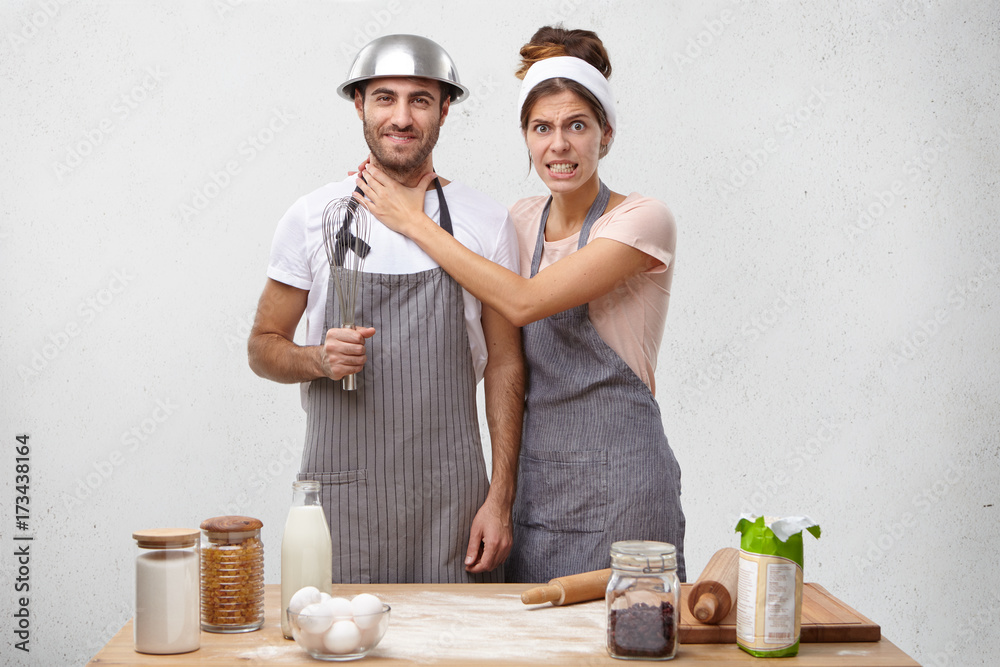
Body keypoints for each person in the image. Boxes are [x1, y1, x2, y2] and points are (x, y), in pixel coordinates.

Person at [355, 26, 686, 582]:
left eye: (577, 126)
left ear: (606, 135)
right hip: (537, 491)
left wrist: (409, 218)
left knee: (629, 645)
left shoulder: (641, 220)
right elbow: (468, 239)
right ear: (527, 138)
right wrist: (399, 183)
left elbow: (525, 301)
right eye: (542, 128)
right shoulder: (520, 219)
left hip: (625, 487)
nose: (559, 145)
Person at [247, 34, 524, 584]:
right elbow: (262, 346)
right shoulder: (312, 216)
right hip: (342, 502)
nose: (401, 116)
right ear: (359, 105)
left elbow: (506, 365)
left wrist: (500, 498)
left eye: (420, 99)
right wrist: (317, 360)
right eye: (384, 98)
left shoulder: (485, 222)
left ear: (445, 109)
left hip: (454, 506)